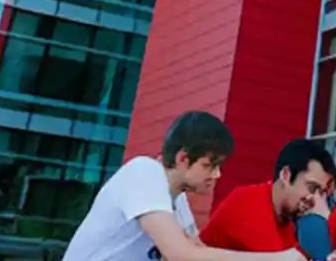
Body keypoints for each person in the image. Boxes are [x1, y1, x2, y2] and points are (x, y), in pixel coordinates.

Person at [64, 110, 303, 261]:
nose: (217, 174)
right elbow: (182, 254)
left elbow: (197, 251)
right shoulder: (143, 172)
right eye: (211, 165)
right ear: (182, 158)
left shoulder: (178, 203)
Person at [201, 138, 336, 260]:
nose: (316, 201)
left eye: (322, 194)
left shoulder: (287, 223)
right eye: (312, 188)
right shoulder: (249, 205)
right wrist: (322, 222)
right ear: (286, 175)